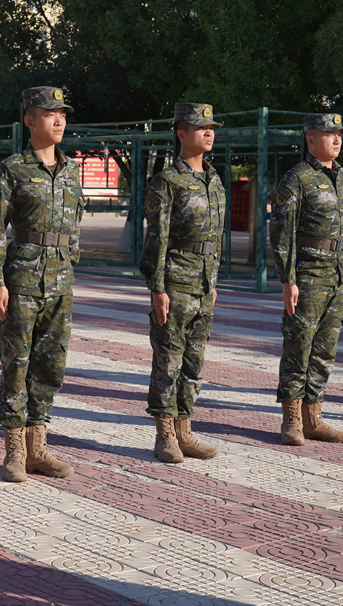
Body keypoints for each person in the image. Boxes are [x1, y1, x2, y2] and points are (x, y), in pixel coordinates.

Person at [0, 86, 83, 483]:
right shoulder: (12, 169)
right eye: (49, 113)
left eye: (62, 113)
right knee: (17, 363)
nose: (58, 120)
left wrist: (70, 265)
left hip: (61, 280)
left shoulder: (72, 170)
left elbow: (75, 228)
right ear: (29, 120)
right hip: (22, 278)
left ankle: (38, 446)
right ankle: (14, 450)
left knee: (51, 363)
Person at [139, 103, 225, 463]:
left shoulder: (214, 179)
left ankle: (185, 431)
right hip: (175, 283)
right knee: (168, 361)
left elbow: (216, 238)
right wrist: (158, 288)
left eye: (211, 127)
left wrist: (214, 281)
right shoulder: (167, 182)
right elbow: (156, 239)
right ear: (181, 133)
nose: (208, 132)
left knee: (193, 363)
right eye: (199, 126)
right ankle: (164, 437)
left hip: (203, 286)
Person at [268, 114, 343, 446]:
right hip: (307, 276)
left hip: (335, 277)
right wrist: (288, 279)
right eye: (329, 134)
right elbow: (282, 233)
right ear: (310, 139)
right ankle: (291, 418)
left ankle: (313, 418)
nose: (336, 139)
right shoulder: (297, 179)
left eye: (339, 134)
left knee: (324, 350)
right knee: (298, 347)